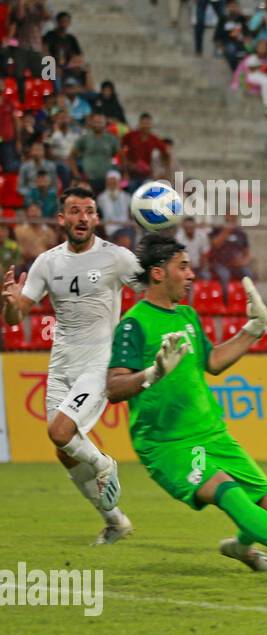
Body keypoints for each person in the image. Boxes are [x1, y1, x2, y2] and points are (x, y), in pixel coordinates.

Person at [105, 234, 267, 578]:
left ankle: (240, 548)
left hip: (211, 432)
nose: (191, 275)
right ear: (157, 273)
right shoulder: (133, 324)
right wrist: (151, 374)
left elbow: (211, 361)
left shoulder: (187, 316)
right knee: (226, 490)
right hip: (168, 444)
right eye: (182, 267)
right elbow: (113, 388)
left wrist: (254, 329)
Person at [1, 188, 140, 543]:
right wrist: (11, 303)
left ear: (96, 218)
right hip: (61, 364)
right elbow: (17, 317)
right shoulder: (48, 262)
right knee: (63, 451)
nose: (82, 217)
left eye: (89, 211)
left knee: (60, 433)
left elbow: (154, 286)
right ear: (62, 219)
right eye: (74, 211)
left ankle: (104, 464)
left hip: (99, 362)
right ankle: (115, 522)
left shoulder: (117, 258)